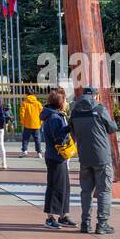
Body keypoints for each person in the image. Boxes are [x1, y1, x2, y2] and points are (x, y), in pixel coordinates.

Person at [69, 86, 118, 234]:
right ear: (96, 96)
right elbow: (112, 128)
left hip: (84, 156)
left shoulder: (75, 111)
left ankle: (85, 223)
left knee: (86, 191)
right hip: (102, 157)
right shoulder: (100, 109)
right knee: (104, 191)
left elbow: (72, 131)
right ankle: (102, 224)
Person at [41, 88, 74, 228]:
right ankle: (50, 217)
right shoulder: (54, 117)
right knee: (55, 187)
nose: (66, 103)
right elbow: (58, 137)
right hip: (55, 156)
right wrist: (69, 127)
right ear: (60, 102)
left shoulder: (57, 115)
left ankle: (63, 215)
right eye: (65, 100)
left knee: (64, 186)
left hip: (59, 156)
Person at [19, 90, 43, 157]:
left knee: (25, 139)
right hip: (36, 125)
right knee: (37, 139)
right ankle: (39, 153)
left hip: (27, 124)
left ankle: (24, 151)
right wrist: (40, 122)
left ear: (27, 95)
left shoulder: (24, 103)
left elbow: (22, 114)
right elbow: (42, 114)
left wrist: (22, 122)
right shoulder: (38, 103)